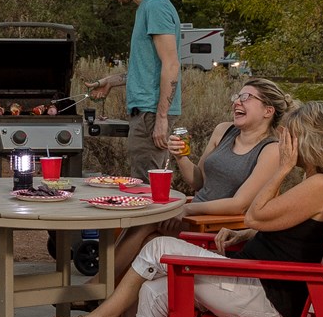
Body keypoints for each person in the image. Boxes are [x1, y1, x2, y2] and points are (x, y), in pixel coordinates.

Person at [49, 101, 323, 317]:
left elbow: (254, 214)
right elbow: (292, 233)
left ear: (309, 140)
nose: (285, 144)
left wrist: (281, 170)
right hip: (256, 281)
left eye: (290, 137)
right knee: (154, 291)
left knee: (157, 248)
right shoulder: (322, 184)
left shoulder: (320, 184)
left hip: (267, 295)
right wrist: (246, 236)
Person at [98, 77, 293, 275]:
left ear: (268, 111)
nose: (237, 102)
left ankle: (98, 286)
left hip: (217, 228)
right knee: (146, 233)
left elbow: (239, 204)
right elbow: (198, 181)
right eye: (237, 96)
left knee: (148, 222)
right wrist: (181, 157)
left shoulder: (271, 150)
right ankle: (106, 294)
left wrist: (186, 209)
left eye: (246, 97)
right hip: (193, 218)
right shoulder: (224, 131)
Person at [85, 0, 182, 179]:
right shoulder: (145, 8)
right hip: (145, 112)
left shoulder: (156, 6)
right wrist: (111, 81)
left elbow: (171, 64)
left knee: (147, 188)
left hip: (151, 113)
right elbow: (149, 68)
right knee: (142, 182)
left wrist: (161, 118)